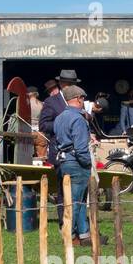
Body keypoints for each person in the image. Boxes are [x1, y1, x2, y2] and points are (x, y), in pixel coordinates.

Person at [53, 85, 96, 245]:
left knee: (77, 200)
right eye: (83, 98)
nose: (83, 101)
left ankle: (83, 233)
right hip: (77, 163)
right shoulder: (78, 119)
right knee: (76, 202)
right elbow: (80, 148)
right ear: (78, 99)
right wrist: (87, 163)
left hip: (64, 162)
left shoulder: (59, 117)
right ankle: (69, 235)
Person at [36, 74, 72, 164]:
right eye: (49, 91)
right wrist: (61, 124)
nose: (52, 92)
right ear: (61, 84)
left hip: (76, 155)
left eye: (53, 89)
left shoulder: (76, 99)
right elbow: (43, 125)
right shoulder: (50, 101)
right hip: (58, 152)